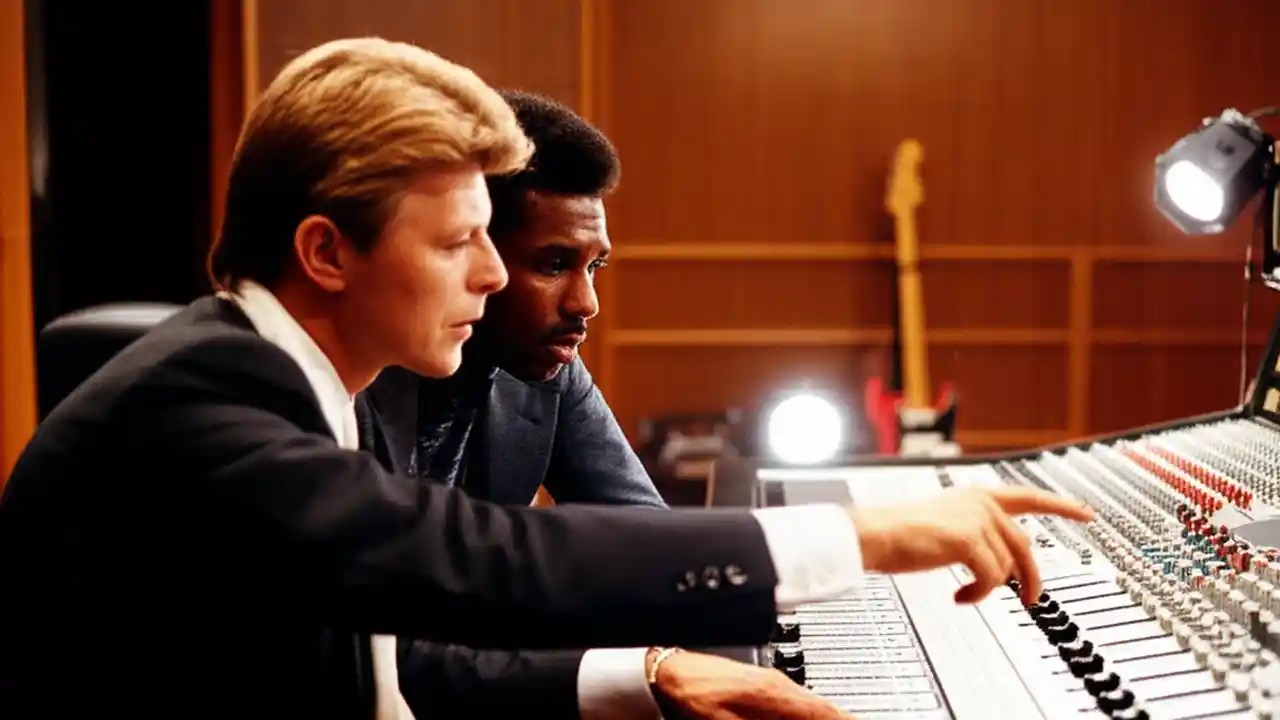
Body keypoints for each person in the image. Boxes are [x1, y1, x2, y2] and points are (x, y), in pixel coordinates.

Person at [0, 37, 1093, 720]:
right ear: (327, 253)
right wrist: (867, 536)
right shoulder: (203, 408)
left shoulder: (290, 383)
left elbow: (398, 666)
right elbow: (477, 558)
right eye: (458, 243)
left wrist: (646, 676)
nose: (489, 275)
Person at [360, 89, 662, 509]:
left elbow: (640, 529)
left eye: (594, 268)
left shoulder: (553, 368)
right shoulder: (354, 367)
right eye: (554, 265)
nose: (586, 303)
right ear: (469, 248)